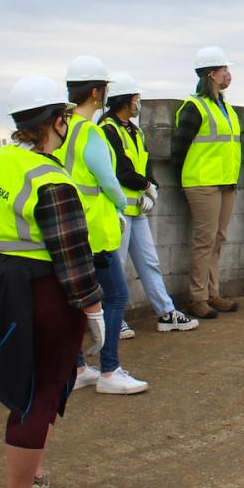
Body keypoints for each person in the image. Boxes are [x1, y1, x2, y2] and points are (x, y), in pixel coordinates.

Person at [0, 76, 107, 488]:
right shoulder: (50, 178)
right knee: (39, 389)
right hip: (41, 291)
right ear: (57, 121)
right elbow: (73, 255)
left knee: (29, 382)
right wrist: (94, 309)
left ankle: (33, 471)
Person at [57, 56, 146, 395]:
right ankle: (109, 369)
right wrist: (125, 204)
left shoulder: (60, 126)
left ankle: (78, 366)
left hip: (69, 226)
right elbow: (108, 181)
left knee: (79, 300)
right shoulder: (90, 131)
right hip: (96, 228)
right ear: (96, 92)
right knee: (116, 294)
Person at [100, 73, 199, 333]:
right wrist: (146, 186)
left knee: (149, 262)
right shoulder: (106, 130)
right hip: (116, 210)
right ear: (124, 101)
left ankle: (166, 312)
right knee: (116, 268)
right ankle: (112, 318)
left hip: (137, 209)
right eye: (135, 98)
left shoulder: (135, 129)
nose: (138, 103)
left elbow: (145, 162)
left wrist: (150, 186)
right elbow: (119, 170)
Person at [172, 46, 243, 317]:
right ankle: (197, 297)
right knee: (205, 240)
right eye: (224, 70)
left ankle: (213, 293)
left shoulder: (223, 106)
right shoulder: (195, 107)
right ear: (212, 74)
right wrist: (187, 180)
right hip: (202, 182)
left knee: (218, 239)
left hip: (225, 181)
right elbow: (179, 149)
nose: (228, 75)